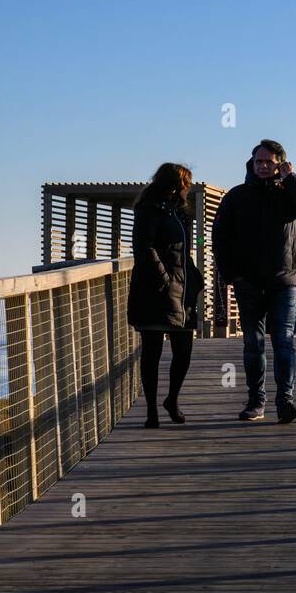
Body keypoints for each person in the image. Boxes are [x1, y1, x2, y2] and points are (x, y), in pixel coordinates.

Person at [213, 140, 296, 423]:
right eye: (258, 162)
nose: (262, 166)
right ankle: (256, 401)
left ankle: (285, 400)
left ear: (280, 165)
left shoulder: (288, 194)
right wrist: (231, 273)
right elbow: (220, 237)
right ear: (252, 163)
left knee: (284, 342)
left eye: (268, 162)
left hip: (284, 280)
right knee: (253, 343)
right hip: (248, 282)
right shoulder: (236, 196)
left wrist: (292, 178)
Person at [127, 162, 202, 428]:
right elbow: (143, 247)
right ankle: (151, 411)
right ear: (176, 184)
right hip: (154, 291)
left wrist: (194, 278)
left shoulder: (179, 213)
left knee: (184, 352)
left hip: (182, 292)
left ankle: (172, 399)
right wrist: (164, 279)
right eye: (186, 183)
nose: (189, 188)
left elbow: (185, 252)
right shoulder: (149, 209)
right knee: (152, 352)